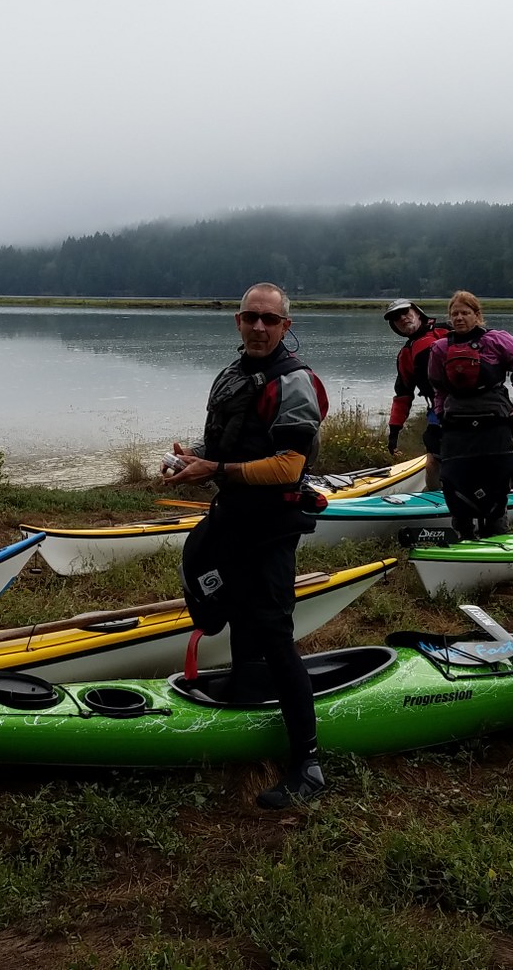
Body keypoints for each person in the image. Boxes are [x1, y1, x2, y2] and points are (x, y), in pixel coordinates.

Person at [163, 282, 329, 809]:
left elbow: (289, 466)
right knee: (235, 612)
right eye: (250, 317)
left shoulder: (295, 382)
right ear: (238, 320)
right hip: (233, 517)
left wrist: (215, 468)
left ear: (285, 326)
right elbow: (225, 443)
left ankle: (308, 763)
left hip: (272, 527)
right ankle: (247, 696)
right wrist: (193, 458)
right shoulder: (232, 374)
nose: (259, 327)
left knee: (275, 635)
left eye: (269, 320)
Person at [428, 290, 513, 541]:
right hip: (456, 420)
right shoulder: (440, 348)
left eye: (465, 313)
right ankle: (463, 531)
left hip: (494, 416)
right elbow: (438, 388)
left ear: (477, 315)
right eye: (454, 313)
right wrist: (440, 415)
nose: (459, 318)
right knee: (454, 476)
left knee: (497, 475)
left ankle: (496, 531)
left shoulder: (497, 341)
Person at [382, 298, 448, 492]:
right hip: (438, 412)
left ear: (418, 313)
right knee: (433, 462)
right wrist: (394, 432)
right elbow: (402, 396)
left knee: (479, 454)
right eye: (396, 318)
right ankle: (435, 501)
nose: (402, 318)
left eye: (405, 312)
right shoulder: (405, 355)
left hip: (472, 405)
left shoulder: (447, 332)